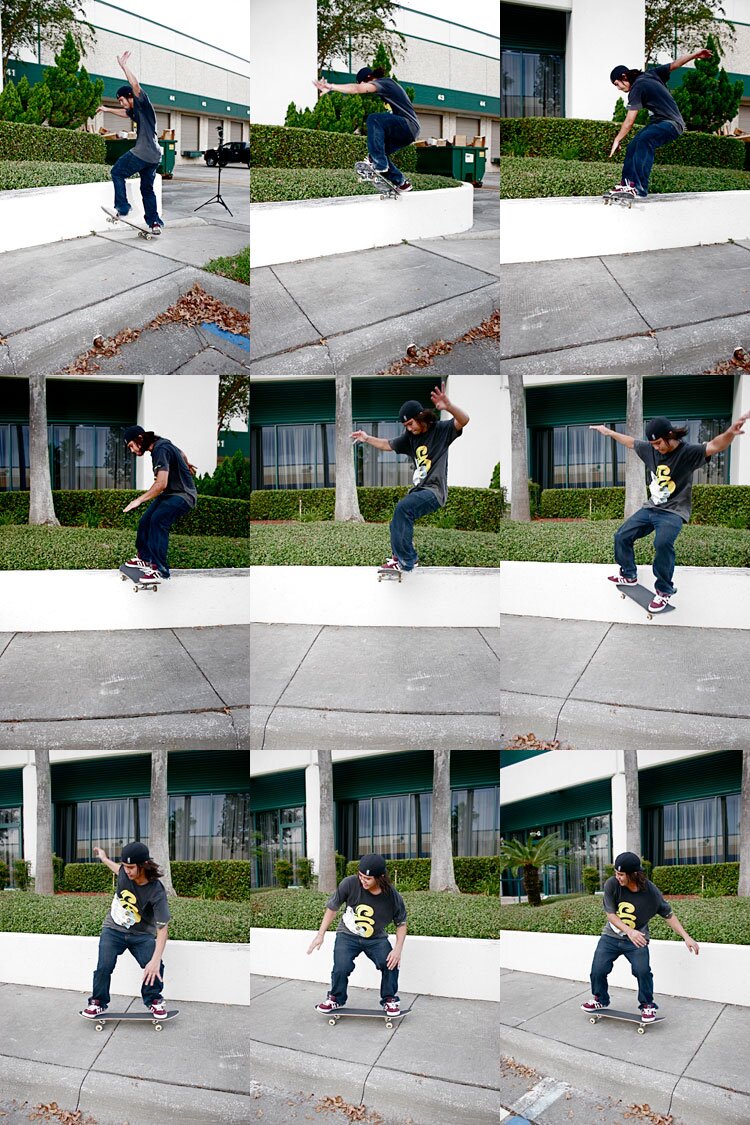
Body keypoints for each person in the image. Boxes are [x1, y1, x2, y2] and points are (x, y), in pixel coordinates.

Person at [591, 413, 749, 612]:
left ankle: (664, 591)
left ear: (670, 435)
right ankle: (629, 575)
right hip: (651, 507)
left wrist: (730, 433)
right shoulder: (650, 449)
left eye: (658, 443)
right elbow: (631, 442)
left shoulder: (688, 452)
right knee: (621, 535)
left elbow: (716, 446)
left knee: (662, 542)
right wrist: (609, 432)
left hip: (674, 511)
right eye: (653, 445)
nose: (656, 448)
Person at [351, 383, 469, 574]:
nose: (409, 429)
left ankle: (408, 560)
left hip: (434, 491)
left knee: (403, 509)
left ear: (421, 417)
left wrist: (449, 407)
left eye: (411, 424)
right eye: (406, 426)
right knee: (398, 518)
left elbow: (464, 420)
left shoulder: (441, 430)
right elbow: (387, 445)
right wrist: (367, 438)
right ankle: (399, 557)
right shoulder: (409, 437)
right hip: (420, 490)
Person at [581, 852, 698, 1023]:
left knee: (642, 971)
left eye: (621, 874)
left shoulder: (651, 892)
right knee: (598, 970)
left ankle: (647, 1005)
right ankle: (600, 1000)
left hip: (637, 939)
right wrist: (629, 930)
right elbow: (611, 915)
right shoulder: (612, 885)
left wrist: (686, 937)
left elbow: (668, 915)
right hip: (611, 937)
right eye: (616, 873)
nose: (617, 877)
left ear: (633, 874)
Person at [307, 854, 407, 1016]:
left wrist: (397, 949)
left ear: (380, 877)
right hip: (347, 935)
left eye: (368, 878)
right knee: (341, 967)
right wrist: (320, 935)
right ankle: (336, 998)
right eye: (361, 876)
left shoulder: (392, 896)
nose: (363, 881)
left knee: (390, 963)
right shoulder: (349, 883)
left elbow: (401, 923)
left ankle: (389, 999)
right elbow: (332, 908)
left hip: (376, 938)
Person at [607, 48, 712, 201]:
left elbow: (630, 120)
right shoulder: (651, 74)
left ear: (624, 77)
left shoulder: (636, 88)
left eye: (617, 84)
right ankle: (626, 184)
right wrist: (695, 55)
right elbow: (675, 64)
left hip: (671, 124)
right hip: (660, 122)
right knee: (633, 145)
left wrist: (617, 139)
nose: (618, 88)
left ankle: (638, 186)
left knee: (645, 140)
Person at [82, 842, 171, 1020]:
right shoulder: (124, 871)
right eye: (125, 866)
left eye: (131, 867)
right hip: (113, 929)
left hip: (141, 934)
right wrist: (104, 858)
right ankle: (98, 1002)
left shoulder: (156, 891)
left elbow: (163, 929)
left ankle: (153, 999)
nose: (127, 871)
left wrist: (154, 960)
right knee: (104, 966)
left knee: (155, 967)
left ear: (143, 865)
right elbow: (117, 869)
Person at [313, 66, 419, 192]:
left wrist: (331, 86)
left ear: (368, 78)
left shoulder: (385, 83)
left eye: (363, 83)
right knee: (374, 156)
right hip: (408, 132)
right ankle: (401, 182)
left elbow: (357, 88)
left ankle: (379, 164)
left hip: (408, 125)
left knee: (373, 119)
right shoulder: (386, 88)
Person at [97, 51, 165, 235]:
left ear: (130, 97)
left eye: (121, 100)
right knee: (147, 189)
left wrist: (124, 66)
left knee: (117, 172)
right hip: (154, 157)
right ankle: (154, 223)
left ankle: (123, 208)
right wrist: (107, 109)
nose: (121, 104)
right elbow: (123, 113)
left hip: (142, 152)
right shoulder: (135, 112)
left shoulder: (142, 103)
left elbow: (135, 85)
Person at [121, 424, 198, 584]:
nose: (132, 450)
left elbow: (161, 484)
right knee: (146, 520)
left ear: (140, 439)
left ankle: (159, 569)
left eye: (131, 446)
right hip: (171, 494)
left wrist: (139, 500)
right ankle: (144, 558)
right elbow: (180, 453)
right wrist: (185, 463)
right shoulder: (163, 443)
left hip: (183, 495)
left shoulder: (159, 450)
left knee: (158, 520)